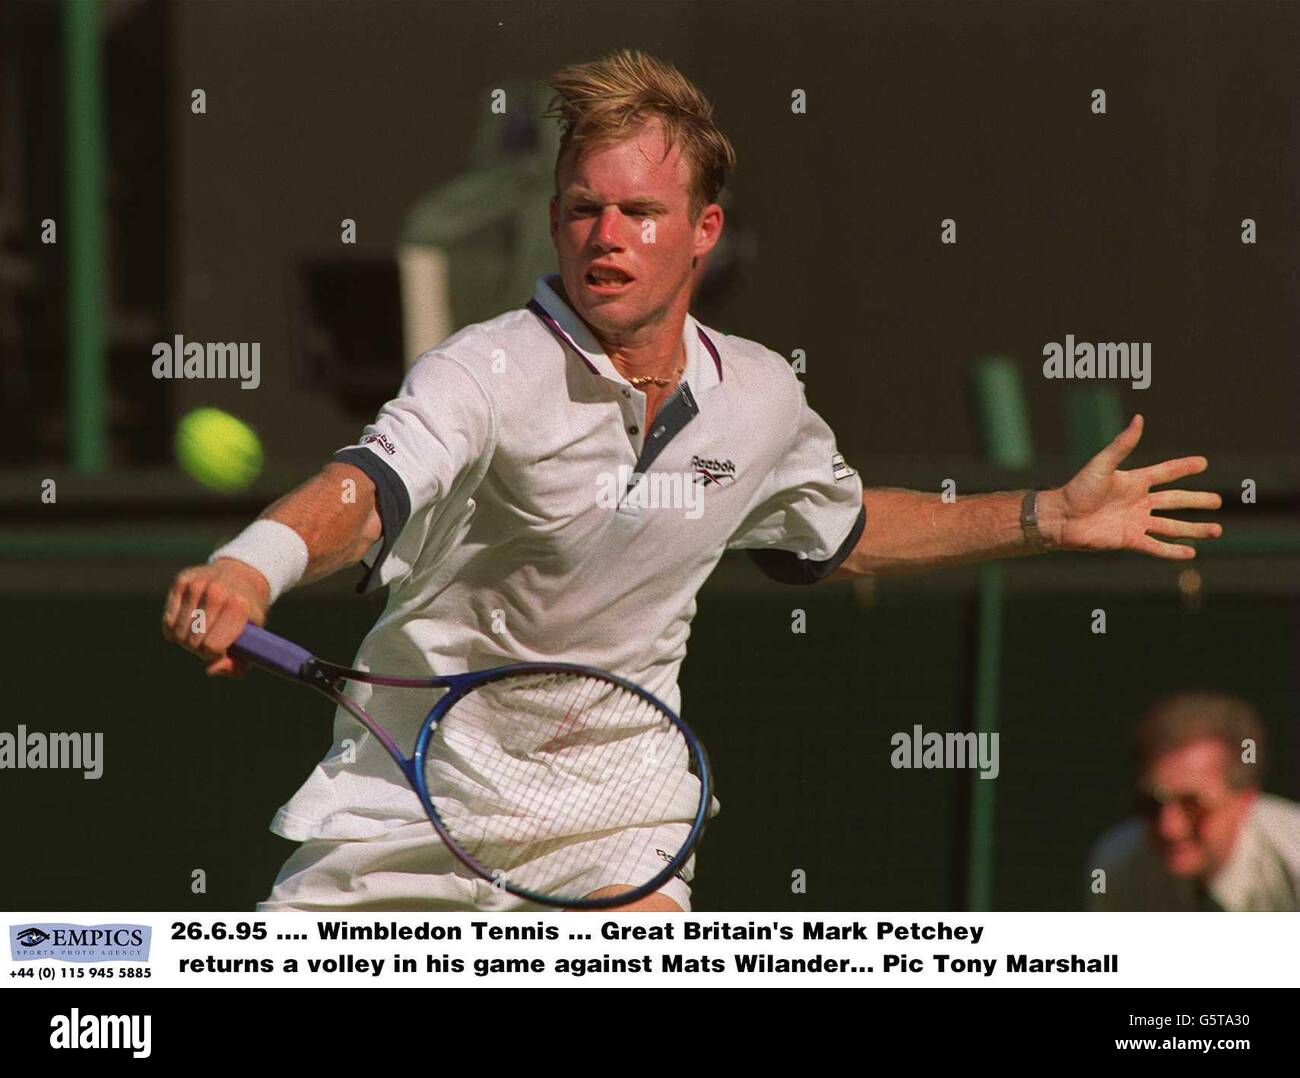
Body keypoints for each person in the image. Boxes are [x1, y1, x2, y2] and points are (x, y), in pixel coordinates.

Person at [162, 49, 1222, 912]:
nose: (606, 238)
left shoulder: (759, 396)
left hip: (614, 812)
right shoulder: (481, 371)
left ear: (702, 232)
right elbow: (369, 487)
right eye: (583, 210)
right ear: (553, 222)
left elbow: (844, 530)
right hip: (404, 802)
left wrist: (1041, 517)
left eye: (639, 213)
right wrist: (253, 566)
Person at [1088, 691, 1300, 911]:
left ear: (1245, 799)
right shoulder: (1119, 864)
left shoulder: (1293, 861)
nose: (1169, 827)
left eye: (1193, 804)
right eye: (1150, 804)